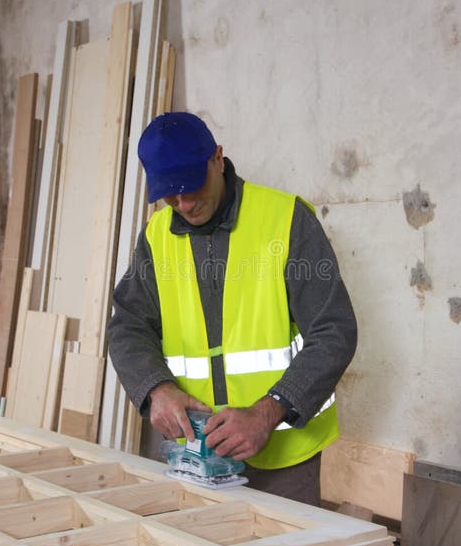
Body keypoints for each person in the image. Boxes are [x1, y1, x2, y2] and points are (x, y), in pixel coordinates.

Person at [107, 112, 357, 506]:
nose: (185, 204)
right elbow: (128, 326)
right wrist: (156, 389)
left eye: (193, 186)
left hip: (283, 458)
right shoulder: (157, 237)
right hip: (196, 456)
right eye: (171, 195)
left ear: (218, 159)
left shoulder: (286, 220)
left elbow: (334, 331)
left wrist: (266, 413)